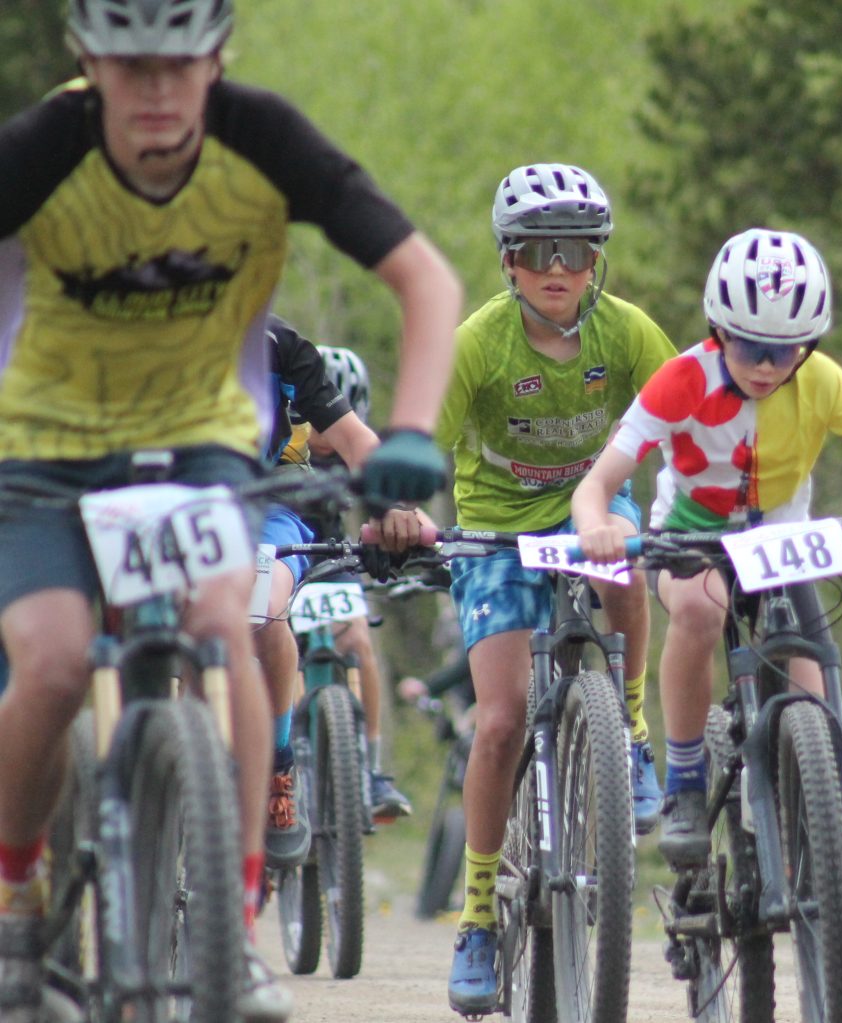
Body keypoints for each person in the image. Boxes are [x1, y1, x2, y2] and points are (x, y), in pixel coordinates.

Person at [0, 3, 461, 1020]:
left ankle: (234, 927)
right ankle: (17, 899)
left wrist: (415, 434)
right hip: (46, 442)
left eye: (181, 63)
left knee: (231, 623)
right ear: (88, 63)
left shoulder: (264, 139)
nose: (157, 91)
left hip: (205, 437)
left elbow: (423, 279)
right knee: (55, 659)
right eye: (130, 67)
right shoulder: (39, 151)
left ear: (218, 61)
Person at [572, 227, 842, 870]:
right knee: (698, 610)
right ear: (719, 331)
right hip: (691, 532)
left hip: (779, 541)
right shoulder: (681, 380)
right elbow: (599, 484)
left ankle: (817, 851)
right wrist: (596, 526)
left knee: (815, 703)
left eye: (786, 352)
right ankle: (687, 781)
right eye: (750, 346)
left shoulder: (824, 383)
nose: (766, 366)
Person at [435, 162, 674, 1017]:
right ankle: (477, 917)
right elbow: (425, 441)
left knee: (631, 568)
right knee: (499, 721)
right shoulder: (479, 342)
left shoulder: (629, 332)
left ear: (596, 258)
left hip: (589, 512)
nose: (558, 265)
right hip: (496, 526)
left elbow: (686, 418)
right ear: (509, 260)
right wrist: (399, 511)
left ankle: (633, 727)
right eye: (538, 247)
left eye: (577, 248)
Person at [253, 321, 425, 871]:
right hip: (169, 500)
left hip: (265, 511)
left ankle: (282, 766)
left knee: (269, 608)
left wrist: (397, 508)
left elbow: (357, 442)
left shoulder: (283, 346)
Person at [306, 343, 415, 823]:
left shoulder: (358, 452)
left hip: (332, 558)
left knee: (358, 639)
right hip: (280, 558)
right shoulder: (281, 446)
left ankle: (369, 767)